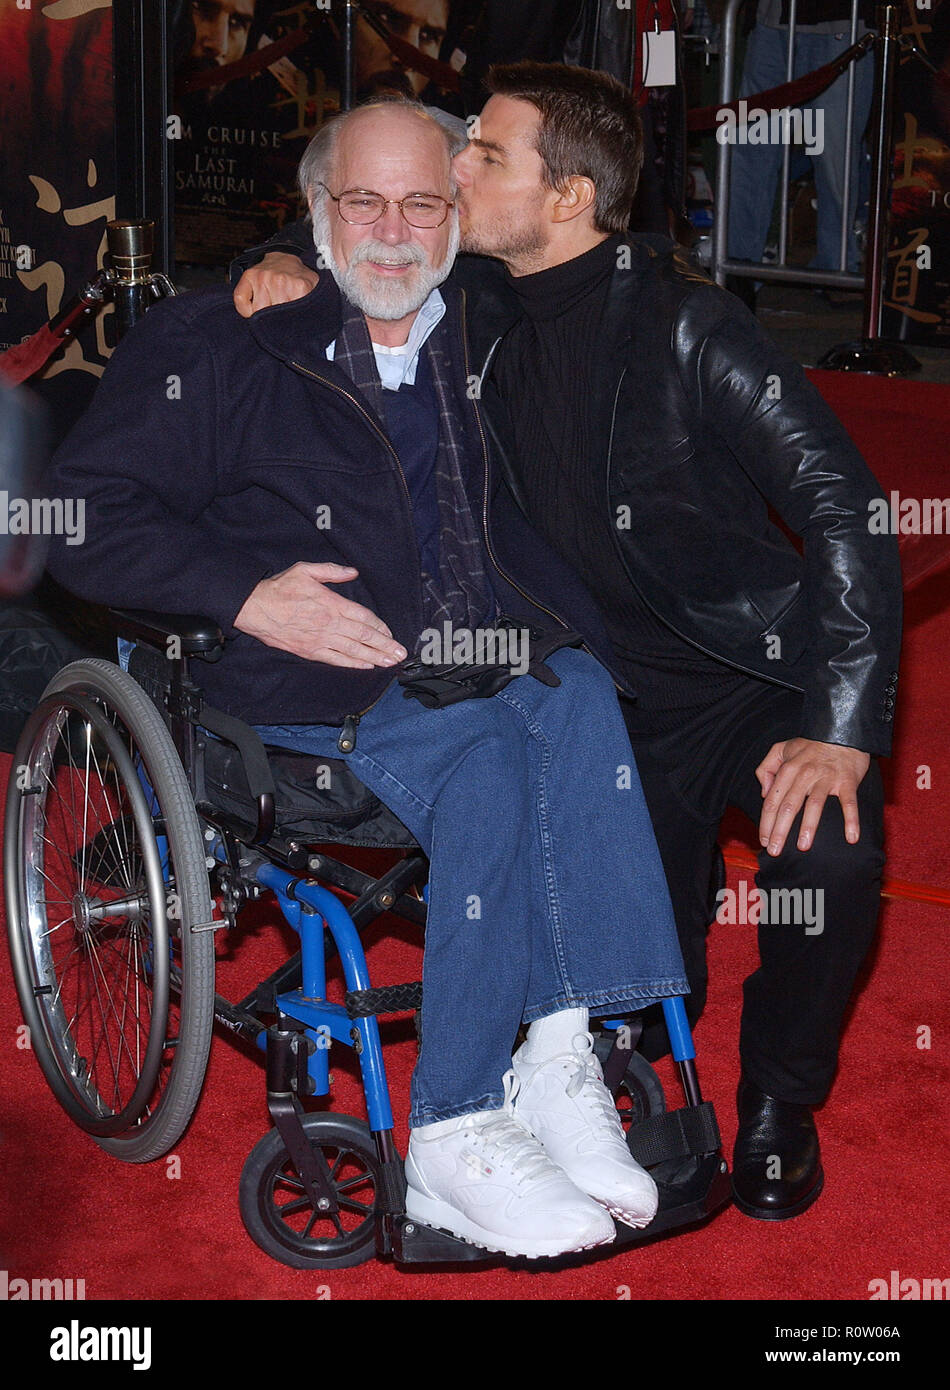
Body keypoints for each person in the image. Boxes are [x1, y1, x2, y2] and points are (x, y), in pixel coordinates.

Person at [230, 61, 903, 1222]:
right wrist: (277, 256)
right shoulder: (474, 298)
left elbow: (849, 509)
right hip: (588, 694)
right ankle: (593, 1060)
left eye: (485, 154)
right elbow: (369, 220)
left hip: (739, 677)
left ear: (570, 198)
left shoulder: (694, 328)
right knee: (646, 991)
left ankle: (780, 1105)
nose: (455, 166)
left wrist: (838, 729)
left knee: (830, 851)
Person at [44, 100, 689, 1261]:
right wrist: (243, 589)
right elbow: (76, 519)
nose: (391, 231)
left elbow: (591, 267)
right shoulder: (217, 344)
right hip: (295, 693)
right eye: (361, 202)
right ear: (315, 211)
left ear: (457, 213)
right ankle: (448, 1131)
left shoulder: (477, 327)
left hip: (460, 649)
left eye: (422, 202)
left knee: (584, 698)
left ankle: (554, 1056)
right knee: (488, 752)